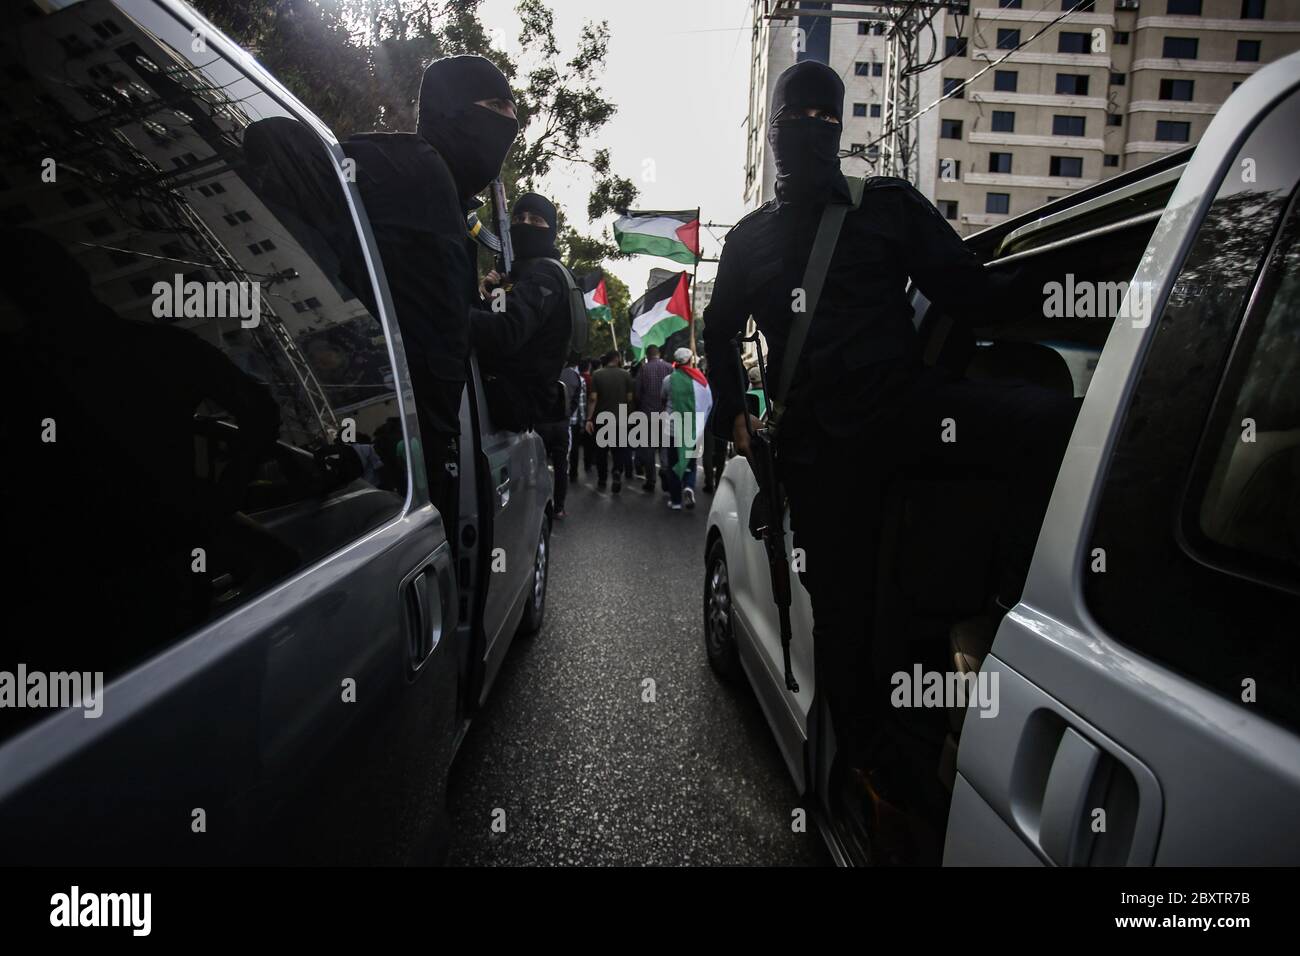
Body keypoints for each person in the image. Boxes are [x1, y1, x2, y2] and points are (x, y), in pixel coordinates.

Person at [702, 59, 1077, 858]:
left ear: (839, 131)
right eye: (794, 119)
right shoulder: (750, 240)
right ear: (772, 132)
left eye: (821, 120)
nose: (806, 131)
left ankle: (1034, 604)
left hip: (912, 421)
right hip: (819, 461)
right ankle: (878, 781)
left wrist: (1077, 282)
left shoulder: (889, 209)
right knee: (848, 638)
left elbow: (974, 293)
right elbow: (717, 332)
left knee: (1056, 424)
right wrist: (735, 412)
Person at [343, 54, 517, 547]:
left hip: (420, 454)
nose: (511, 122)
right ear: (453, 108)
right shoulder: (411, 169)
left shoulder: (448, 197)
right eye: (496, 105)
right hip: (396, 460)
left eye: (512, 109)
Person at [473, 192, 577, 432]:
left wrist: (451, 313)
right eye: (519, 218)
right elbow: (501, 323)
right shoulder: (522, 275)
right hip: (510, 402)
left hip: (513, 402)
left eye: (536, 220)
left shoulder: (545, 274)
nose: (525, 224)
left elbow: (504, 333)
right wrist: (490, 296)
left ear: (551, 231)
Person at [661, 348, 712, 511]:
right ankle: (689, 486)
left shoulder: (669, 380)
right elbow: (708, 402)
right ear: (690, 361)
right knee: (690, 461)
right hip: (693, 429)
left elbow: (662, 398)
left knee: (674, 464)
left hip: (673, 430)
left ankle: (676, 501)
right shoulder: (700, 380)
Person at [585, 350, 634, 492]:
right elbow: (630, 398)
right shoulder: (626, 375)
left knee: (601, 452)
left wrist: (589, 418)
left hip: (602, 420)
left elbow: (593, 398)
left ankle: (602, 479)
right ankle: (617, 471)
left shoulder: (597, 375)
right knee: (619, 450)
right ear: (618, 359)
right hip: (621, 420)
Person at [632, 344, 673, 493]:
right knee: (665, 447)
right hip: (666, 414)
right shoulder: (669, 368)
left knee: (648, 449)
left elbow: (637, 393)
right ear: (659, 353)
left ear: (647, 355)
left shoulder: (643, 369)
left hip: (647, 415)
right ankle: (665, 470)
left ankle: (650, 480)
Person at [560, 354, 586, 486]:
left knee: (559, 452)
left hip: (556, 421)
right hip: (573, 420)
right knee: (574, 449)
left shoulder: (552, 375)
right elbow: (581, 402)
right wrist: (583, 421)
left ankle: (562, 473)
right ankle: (573, 474)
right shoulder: (579, 379)